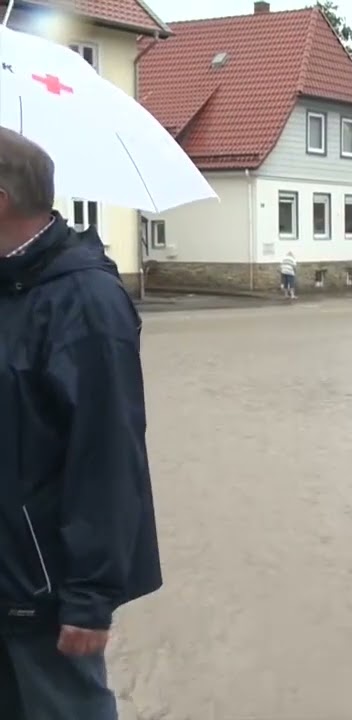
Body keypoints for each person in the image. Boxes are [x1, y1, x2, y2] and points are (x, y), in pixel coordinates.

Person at [0, 128, 162, 719]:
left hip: (42, 592)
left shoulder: (85, 302)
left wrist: (90, 600)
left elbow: (108, 458)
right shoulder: (7, 287)